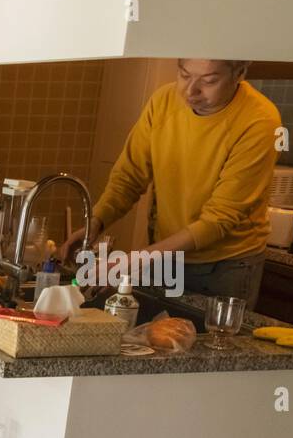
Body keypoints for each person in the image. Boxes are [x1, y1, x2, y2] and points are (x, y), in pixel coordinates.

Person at [60, 59, 281, 307]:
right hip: (165, 254)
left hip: (225, 265)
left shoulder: (260, 121)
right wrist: (96, 222)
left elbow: (220, 218)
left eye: (209, 81)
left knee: (212, 332)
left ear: (239, 73)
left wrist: (139, 258)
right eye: (184, 75)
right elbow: (129, 176)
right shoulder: (163, 101)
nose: (191, 91)